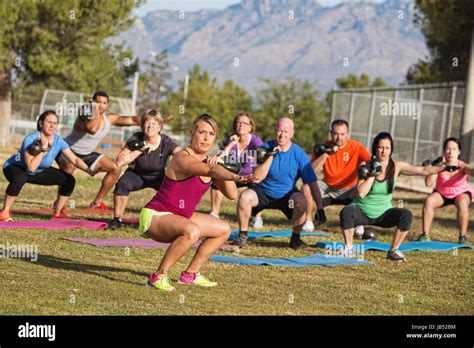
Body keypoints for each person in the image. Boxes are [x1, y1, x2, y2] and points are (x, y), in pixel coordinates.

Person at [138, 114, 256, 292]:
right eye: (202, 132)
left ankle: (190, 274)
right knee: (193, 230)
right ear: (192, 133)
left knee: (223, 230)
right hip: (156, 216)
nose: (207, 138)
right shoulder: (182, 158)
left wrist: (223, 168)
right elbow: (210, 170)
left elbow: (231, 194)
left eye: (211, 134)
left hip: (181, 216)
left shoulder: (211, 161)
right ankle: (158, 276)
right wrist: (236, 176)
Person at [339, 132, 447, 261]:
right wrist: (373, 174)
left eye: (387, 148)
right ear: (375, 148)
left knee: (406, 215)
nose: (384, 151)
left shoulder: (396, 166)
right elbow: (361, 193)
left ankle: (393, 250)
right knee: (347, 211)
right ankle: (349, 248)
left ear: (391, 150)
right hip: (362, 211)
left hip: (384, 214)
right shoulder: (365, 165)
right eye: (380, 147)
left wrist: (445, 167)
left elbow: (423, 170)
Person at [235, 117, 325, 249]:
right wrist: (271, 155)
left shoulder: (299, 154)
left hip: (286, 196)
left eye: (286, 131)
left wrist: (321, 209)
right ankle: (242, 235)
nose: (282, 135)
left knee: (301, 200)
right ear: (275, 131)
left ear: (292, 133)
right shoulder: (263, 148)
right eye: (279, 130)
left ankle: (295, 238)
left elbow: (312, 183)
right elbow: (257, 177)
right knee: (244, 197)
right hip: (262, 192)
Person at [56, 91, 141, 210]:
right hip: (67, 150)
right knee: (69, 167)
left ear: (107, 105)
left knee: (115, 168)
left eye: (104, 103)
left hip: (86, 153)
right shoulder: (83, 115)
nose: (101, 105)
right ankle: (60, 204)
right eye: (98, 102)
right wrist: (94, 109)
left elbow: (132, 120)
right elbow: (93, 129)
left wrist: (153, 121)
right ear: (92, 101)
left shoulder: (109, 118)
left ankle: (96, 203)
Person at [0, 110, 90, 221]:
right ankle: (5, 212)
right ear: (41, 123)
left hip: (38, 171)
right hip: (15, 167)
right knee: (20, 177)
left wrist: (89, 170)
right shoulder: (30, 139)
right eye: (49, 122)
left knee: (69, 180)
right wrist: (43, 149)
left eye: (55, 123)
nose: (52, 126)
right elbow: (31, 167)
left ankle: (57, 213)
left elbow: (75, 159)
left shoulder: (58, 141)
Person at [109, 110, 182, 229]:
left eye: (154, 123)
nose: (150, 126)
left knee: (174, 189)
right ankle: (117, 219)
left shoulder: (165, 141)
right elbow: (120, 162)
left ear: (159, 127)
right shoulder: (136, 138)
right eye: (147, 122)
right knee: (123, 184)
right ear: (142, 125)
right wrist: (139, 150)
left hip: (158, 176)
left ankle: (173, 220)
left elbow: (182, 155)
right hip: (136, 174)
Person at [302, 119, 372, 236]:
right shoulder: (324, 146)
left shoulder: (356, 147)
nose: (339, 137)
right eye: (335, 134)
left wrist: (364, 167)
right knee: (306, 186)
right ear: (331, 134)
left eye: (342, 134)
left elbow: (371, 162)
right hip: (328, 187)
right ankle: (309, 221)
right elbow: (311, 172)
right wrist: (326, 154)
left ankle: (359, 223)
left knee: (365, 187)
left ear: (348, 134)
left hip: (349, 190)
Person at [210, 112, 264, 226]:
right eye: (238, 123)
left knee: (257, 184)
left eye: (245, 123)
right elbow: (221, 159)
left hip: (249, 176)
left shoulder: (255, 141)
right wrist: (230, 144)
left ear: (250, 127)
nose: (241, 125)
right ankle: (214, 214)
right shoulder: (230, 139)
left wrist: (254, 157)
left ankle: (257, 216)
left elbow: (262, 155)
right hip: (232, 176)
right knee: (216, 180)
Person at [418, 137, 474, 244]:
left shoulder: (462, 166)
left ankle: (462, 236)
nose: (450, 152)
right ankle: (425, 235)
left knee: (462, 202)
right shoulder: (439, 166)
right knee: (429, 201)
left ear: (459, 152)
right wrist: (435, 168)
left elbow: (471, 170)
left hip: (460, 193)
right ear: (444, 151)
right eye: (448, 149)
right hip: (442, 193)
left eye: (454, 149)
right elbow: (428, 183)